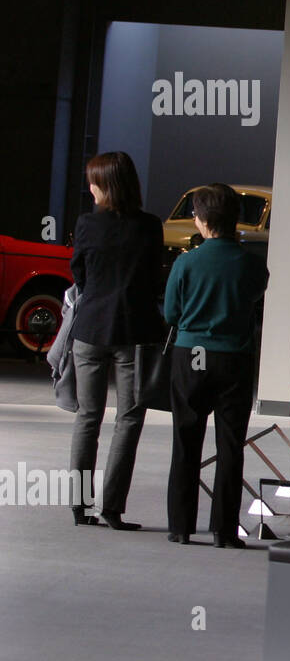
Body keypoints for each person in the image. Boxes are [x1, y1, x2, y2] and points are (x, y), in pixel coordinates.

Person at [163, 184, 269, 548]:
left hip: (190, 356)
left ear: (203, 220)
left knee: (186, 441)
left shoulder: (185, 262)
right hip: (234, 358)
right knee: (230, 445)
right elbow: (255, 297)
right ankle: (224, 530)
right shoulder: (252, 265)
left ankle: (180, 527)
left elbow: (171, 313)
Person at [68, 151, 165, 529]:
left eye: (93, 180)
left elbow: (79, 275)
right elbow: (155, 280)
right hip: (133, 331)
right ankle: (112, 509)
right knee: (129, 419)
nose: (89, 186)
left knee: (87, 417)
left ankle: (79, 507)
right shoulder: (149, 226)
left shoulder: (88, 225)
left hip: (90, 330)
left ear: (104, 186)